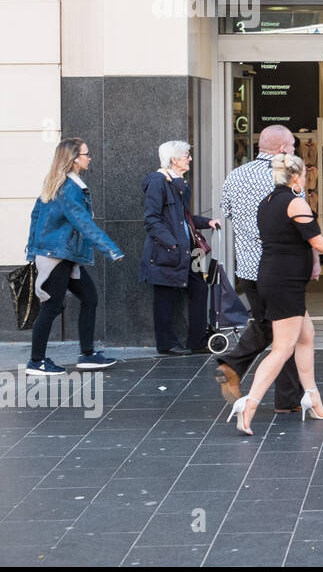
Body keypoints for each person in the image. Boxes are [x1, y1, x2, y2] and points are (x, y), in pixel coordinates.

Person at [227, 154, 323, 435]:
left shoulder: (267, 203)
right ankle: (248, 405)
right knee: (282, 348)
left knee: (305, 337)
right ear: (297, 177)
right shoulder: (295, 202)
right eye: (305, 176)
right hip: (285, 282)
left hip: (276, 278)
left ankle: (312, 397)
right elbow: (316, 240)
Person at [213, 124, 304, 414]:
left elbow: (226, 212)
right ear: (280, 148)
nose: (293, 150)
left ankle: (287, 399)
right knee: (283, 328)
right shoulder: (285, 177)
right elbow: (300, 221)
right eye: (291, 145)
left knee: (278, 327)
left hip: (248, 267)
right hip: (280, 265)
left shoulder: (235, 175)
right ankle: (234, 365)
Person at [24, 138, 124, 375]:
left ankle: (87, 355)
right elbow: (83, 223)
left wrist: (31, 249)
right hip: (56, 255)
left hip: (64, 255)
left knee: (89, 298)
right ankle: (36, 361)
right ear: (74, 159)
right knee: (51, 307)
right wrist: (111, 249)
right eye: (87, 154)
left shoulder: (59, 184)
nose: (90, 158)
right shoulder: (69, 189)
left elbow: (35, 217)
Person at [141, 140, 219, 356]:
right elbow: (151, 219)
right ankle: (166, 344)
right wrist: (172, 243)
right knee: (165, 296)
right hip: (167, 250)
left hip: (185, 250)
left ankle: (197, 341)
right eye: (186, 156)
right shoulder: (158, 182)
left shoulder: (179, 184)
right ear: (174, 160)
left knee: (200, 289)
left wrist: (207, 222)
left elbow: (184, 218)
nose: (190, 159)